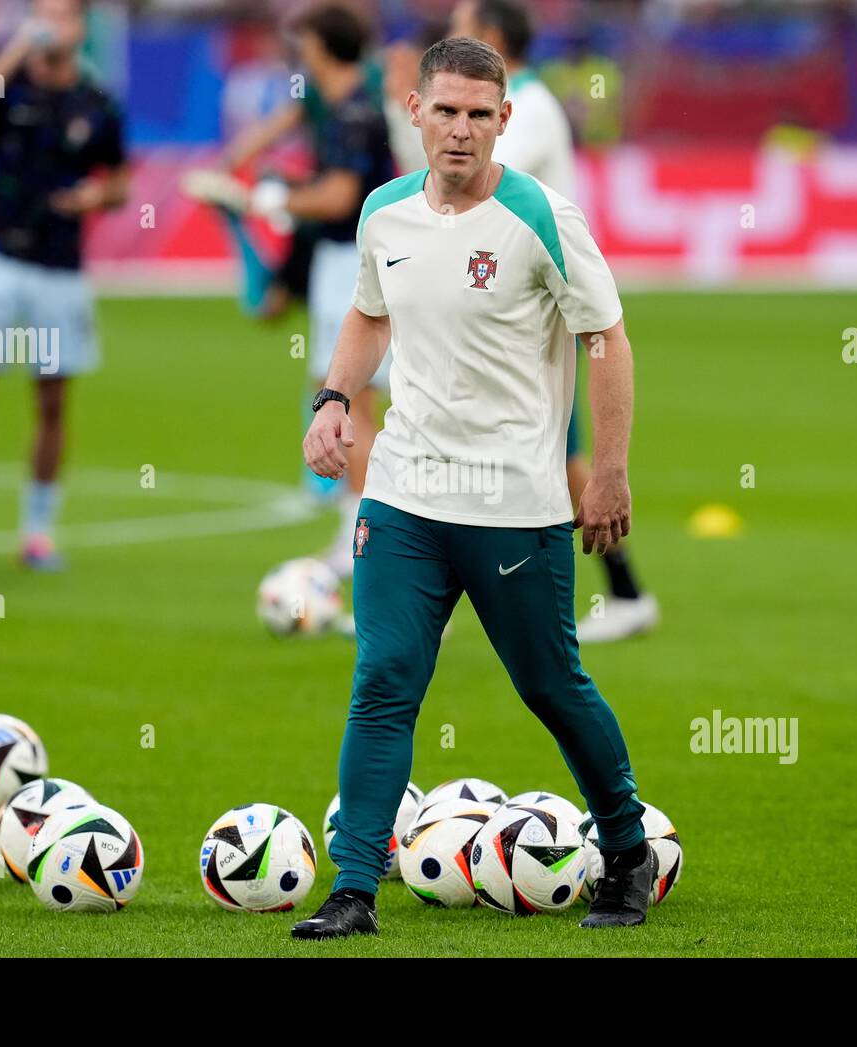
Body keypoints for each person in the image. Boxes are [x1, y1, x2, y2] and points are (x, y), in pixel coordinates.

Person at [293, 37, 656, 940]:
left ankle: (627, 845)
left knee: (551, 684)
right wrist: (336, 398)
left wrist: (607, 470)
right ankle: (353, 888)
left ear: (504, 120)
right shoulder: (384, 213)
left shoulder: (541, 215)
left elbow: (606, 339)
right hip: (404, 495)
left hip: (515, 507)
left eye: (479, 114)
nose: (460, 130)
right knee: (383, 679)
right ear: (414, 112)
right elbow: (370, 311)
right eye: (444, 110)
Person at [447, 0, 657, 643]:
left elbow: (472, 175)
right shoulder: (515, 102)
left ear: (490, 38)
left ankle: (623, 592)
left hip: (537, 306)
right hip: (505, 303)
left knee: (553, 455)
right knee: (491, 441)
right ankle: (448, 591)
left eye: (461, 25)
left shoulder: (527, 106)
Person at [187, 4, 394, 580]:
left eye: (304, 42)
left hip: (353, 260)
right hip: (339, 259)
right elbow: (283, 134)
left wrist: (265, 200)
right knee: (343, 392)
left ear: (323, 46)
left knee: (356, 400)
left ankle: (365, 536)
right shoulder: (332, 100)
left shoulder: (355, 110)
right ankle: (358, 527)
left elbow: (339, 197)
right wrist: (235, 170)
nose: (297, 51)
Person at [0, 0, 128, 569]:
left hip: (57, 269)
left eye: (64, 16)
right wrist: (17, 48)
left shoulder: (96, 104)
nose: (52, 25)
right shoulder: (7, 82)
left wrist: (94, 197)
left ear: (81, 27)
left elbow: (118, 182)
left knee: (50, 401)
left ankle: (38, 532)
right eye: (43, 13)